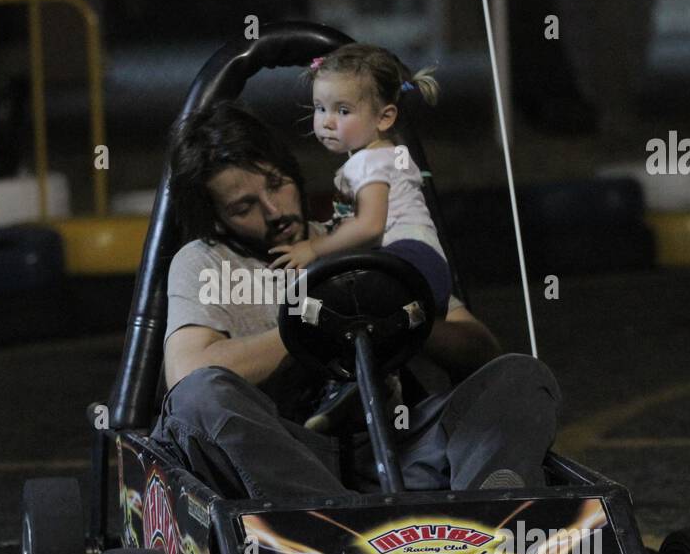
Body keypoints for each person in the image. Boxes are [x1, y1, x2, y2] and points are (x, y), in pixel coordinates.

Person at [156, 100, 560, 502]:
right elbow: (188, 374)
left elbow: (479, 349)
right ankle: (331, 522)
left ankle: (491, 517)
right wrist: (314, 328)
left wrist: (395, 316)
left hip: (395, 451)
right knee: (201, 398)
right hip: (284, 455)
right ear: (216, 217)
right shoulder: (208, 261)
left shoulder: (357, 239)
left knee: (520, 376)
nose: (275, 211)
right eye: (244, 207)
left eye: (277, 184)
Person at [269, 43, 451, 319]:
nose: (326, 122)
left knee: (322, 309)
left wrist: (313, 248)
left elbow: (369, 226)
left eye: (342, 111)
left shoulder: (367, 162)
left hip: (406, 260)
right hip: (427, 265)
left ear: (384, 117)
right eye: (320, 108)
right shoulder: (390, 153)